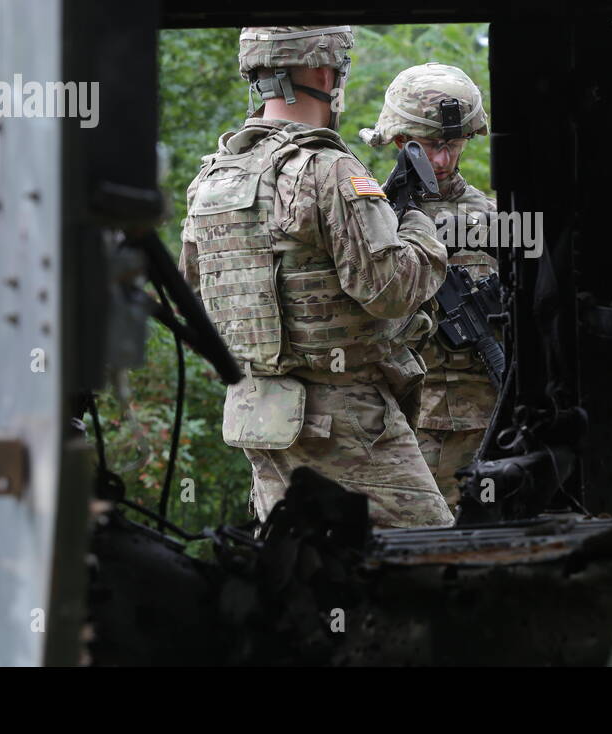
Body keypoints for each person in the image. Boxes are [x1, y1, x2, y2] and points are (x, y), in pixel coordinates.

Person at [178, 27, 452, 528]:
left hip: (258, 414)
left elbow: (193, 298)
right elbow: (391, 292)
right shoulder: (328, 169)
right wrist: (419, 226)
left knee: (298, 567)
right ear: (326, 73)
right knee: (432, 562)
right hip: (343, 418)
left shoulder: (214, 177)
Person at [360, 62, 499, 511]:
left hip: (490, 419)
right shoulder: (368, 216)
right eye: (427, 145)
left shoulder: (495, 220)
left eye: (451, 144)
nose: (440, 160)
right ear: (399, 141)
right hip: (399, 425)